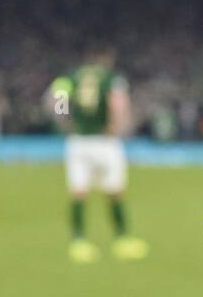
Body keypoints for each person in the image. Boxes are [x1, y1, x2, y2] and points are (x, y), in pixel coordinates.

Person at [49, 48, 148, 263]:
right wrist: (116, 126)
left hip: (78, 141)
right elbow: (118, 103)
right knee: (115, 190)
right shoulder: (112, 78)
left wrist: (65, 121)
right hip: (105, 141)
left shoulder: (72, 77)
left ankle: (78, 241)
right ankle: (122, 239)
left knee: (79, 191)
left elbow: (58, 96)